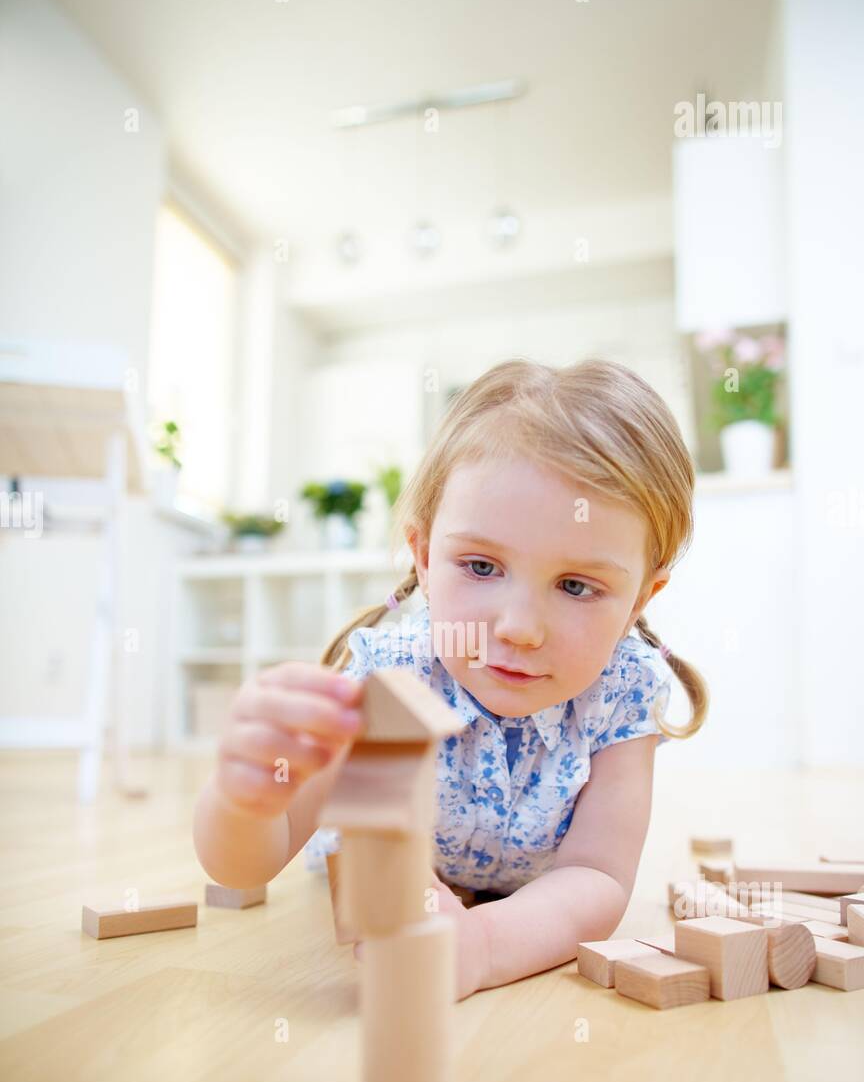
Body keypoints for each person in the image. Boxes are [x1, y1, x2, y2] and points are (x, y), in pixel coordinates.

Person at [194, 357, 708, 1000]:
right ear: (423, 556)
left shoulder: (620, 695)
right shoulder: (395, 676)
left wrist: (486, 946)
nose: (520, 627)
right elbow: (245, 865)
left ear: (639, 599)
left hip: (510, 899)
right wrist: (243, 801)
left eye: (577, 585)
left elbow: (598, 875)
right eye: (482, 566)